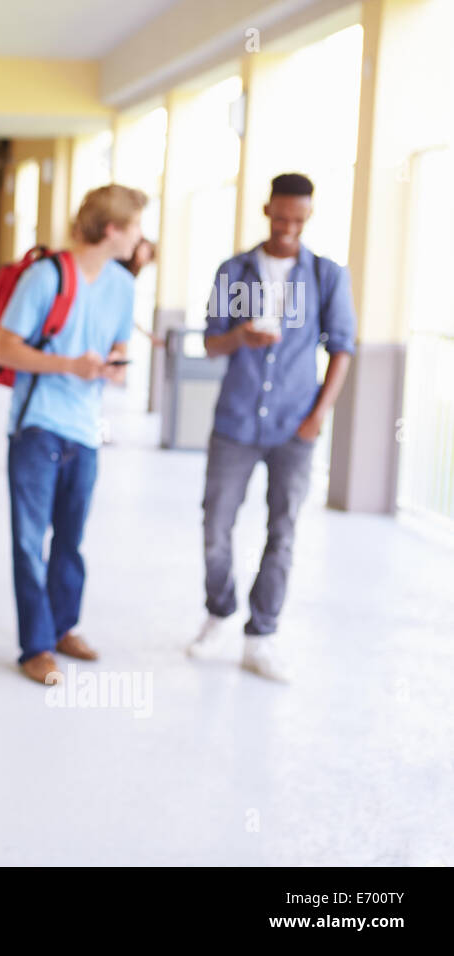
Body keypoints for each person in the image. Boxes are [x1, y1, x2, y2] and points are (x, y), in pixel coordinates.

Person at [187, 172, 356, 682]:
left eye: (298, 220)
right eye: (280, 218)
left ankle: (262, 635)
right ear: (266, 211)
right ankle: (219, 611)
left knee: (281, 531)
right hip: (235, 422)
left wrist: (316, 417)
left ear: (308, 217)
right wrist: (239, 335)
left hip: (294, 429)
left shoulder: (326, 275)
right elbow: (210, 343)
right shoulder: (234, 270)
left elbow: (343, 348)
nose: (288, 228)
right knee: (216, 526)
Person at [0, 184, 144, 685]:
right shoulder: (45, 276)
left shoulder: (123, 284)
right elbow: (4, 350)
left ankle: (62, 628)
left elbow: (116, 345)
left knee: (71, 541)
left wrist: (111, 368)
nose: (142, 236)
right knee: (30, 541)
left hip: (86, 430)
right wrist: (70, 365)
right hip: (37, 427)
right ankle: (35, 646)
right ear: (113, 229)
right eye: (136, 225)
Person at [117, 237, 166, 347]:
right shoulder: (121, 252)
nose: (144, 255)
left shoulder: (129, 276)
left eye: (149, 256)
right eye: (148, 251)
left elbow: (125, 310)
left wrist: (147, 334)